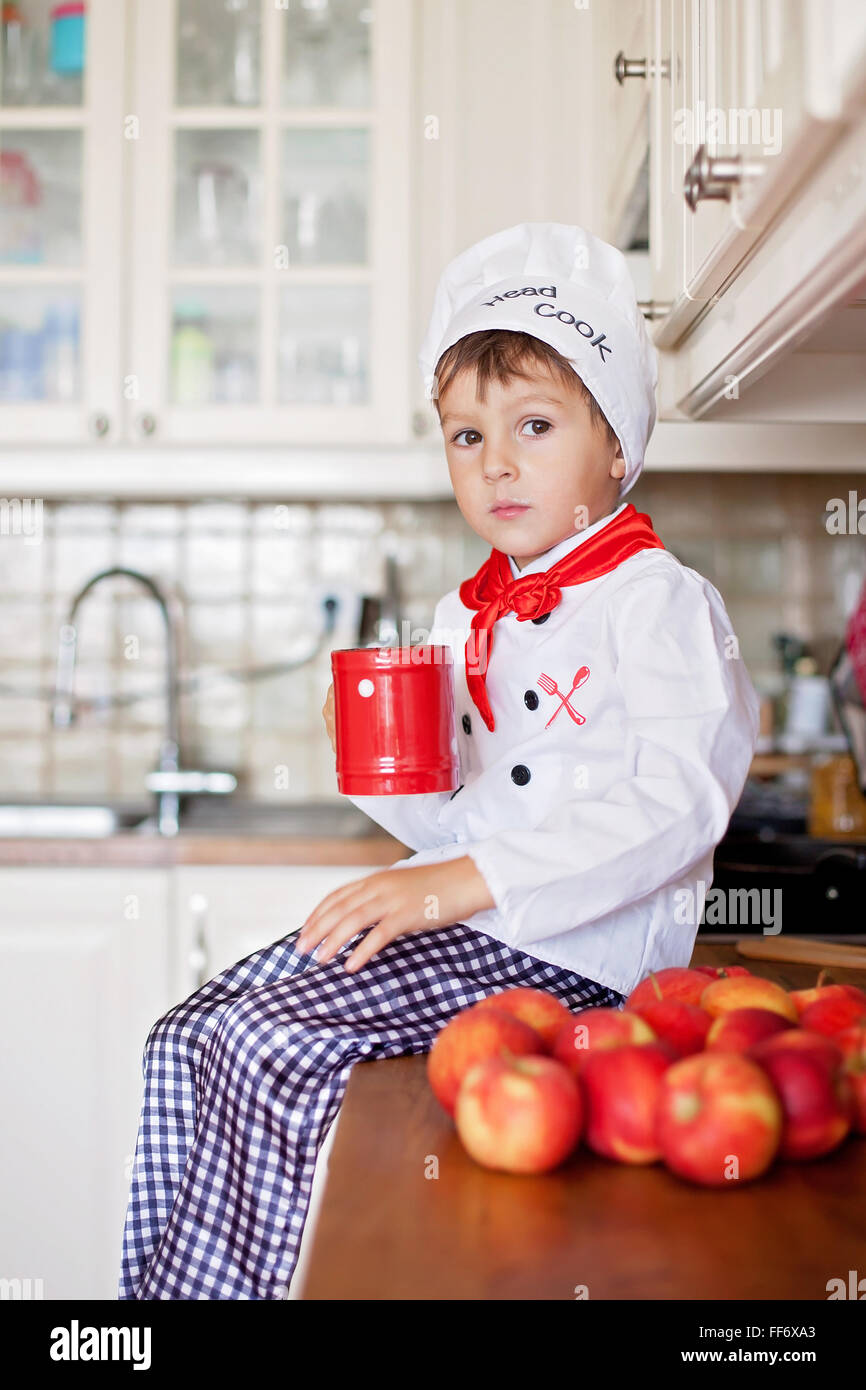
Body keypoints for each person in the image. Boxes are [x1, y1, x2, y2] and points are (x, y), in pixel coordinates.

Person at [118, 222, 759, 1301]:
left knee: (259, 1045)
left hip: (577, 957)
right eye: (465, 436)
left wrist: (452, 885)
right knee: (187, 1033)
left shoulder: (658, 599)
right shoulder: (461, 609)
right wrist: (374, 754)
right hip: (472, 928)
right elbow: (449, 818)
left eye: (533, 425)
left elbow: (678, 801)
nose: (494, 461)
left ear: (616, 445)